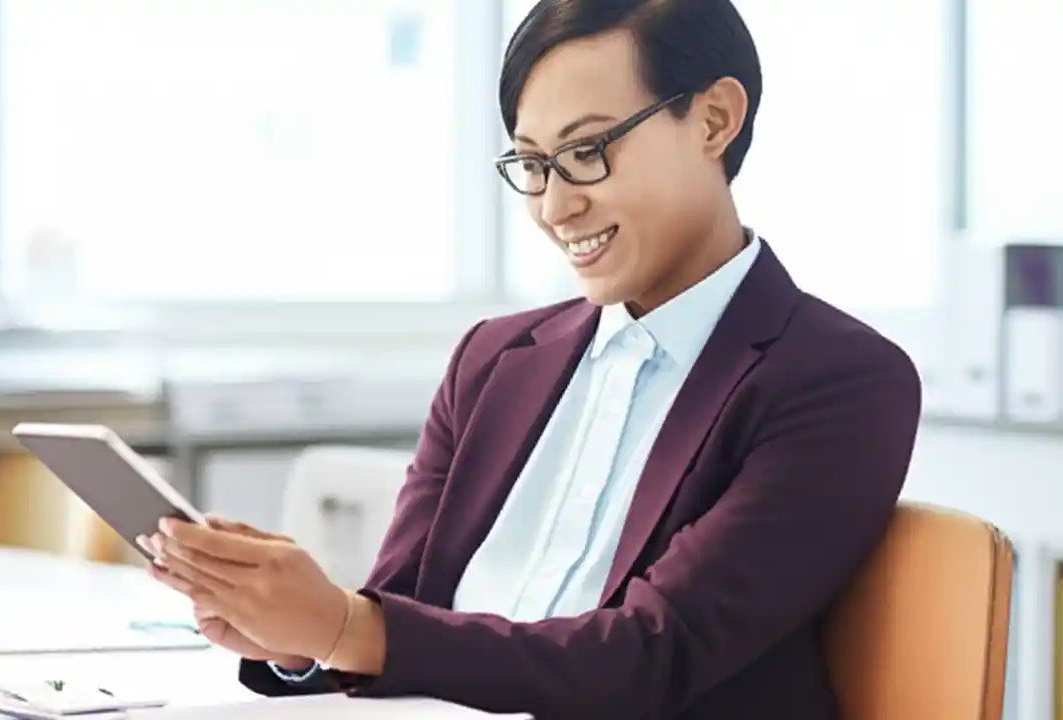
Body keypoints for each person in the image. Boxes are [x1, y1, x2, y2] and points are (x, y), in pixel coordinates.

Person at [139, 0, 922, 717]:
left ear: (714, 119)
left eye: (587, 152)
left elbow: (653, 657)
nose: (555, 206)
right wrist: (298, 633)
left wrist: (345, 626)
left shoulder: (837, 381)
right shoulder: (494, 360)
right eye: (533, 164)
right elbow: (402, 610)